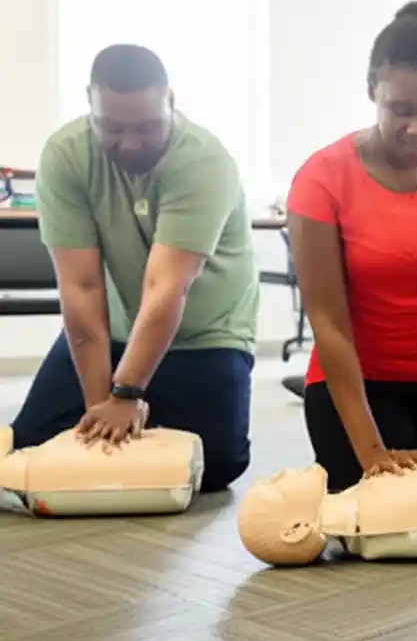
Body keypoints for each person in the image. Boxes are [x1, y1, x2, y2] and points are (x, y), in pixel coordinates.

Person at [11, 44, 258, 492]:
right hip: (117, 328)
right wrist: (99, 410)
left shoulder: (204, 161)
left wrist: (125, 393)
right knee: (30, 441)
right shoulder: (65, 155)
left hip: (205, 334)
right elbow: (81, 286)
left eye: (147, 127)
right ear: (91, 103)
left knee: (218, 465)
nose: (129, 143)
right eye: (112, 127)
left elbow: (166, 287)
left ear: (171, 102)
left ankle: (146, 402)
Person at [286, 0, 417, 494]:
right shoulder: (322, 177)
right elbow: (329, 323)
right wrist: (371, 453)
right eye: (401, 110)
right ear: (371, 91)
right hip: (356, 384)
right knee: (391, 509)